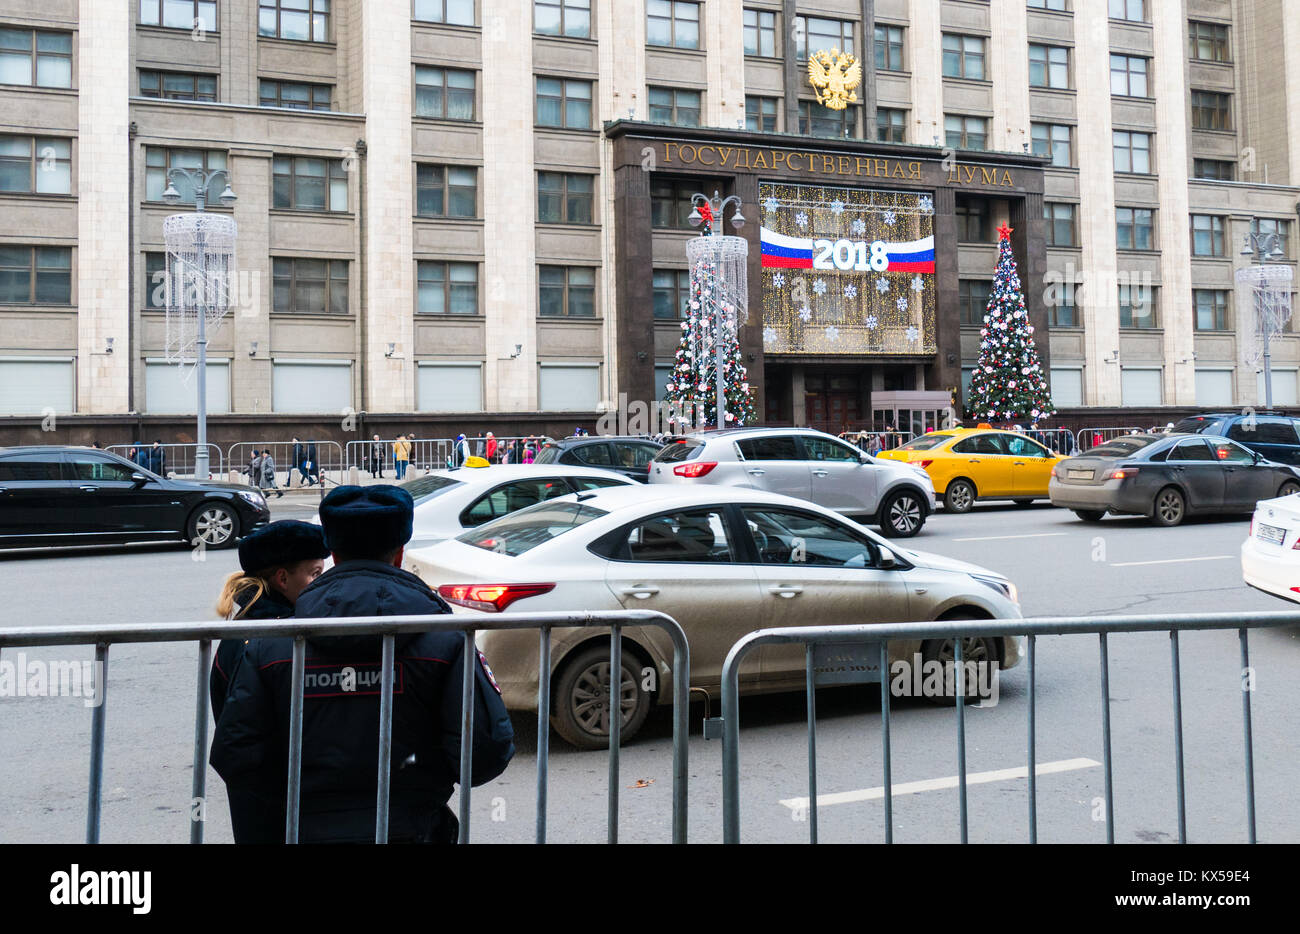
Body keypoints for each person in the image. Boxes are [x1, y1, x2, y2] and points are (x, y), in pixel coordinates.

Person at [210, 485, 516, 844]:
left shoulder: (271, 644)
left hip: (303, 830)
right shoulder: (445, 638)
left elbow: (238, 753)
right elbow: (484, 752)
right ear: (400, 553)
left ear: (334, 556)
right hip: (412, 828)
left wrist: (301, 802)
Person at [209, 520, 331, 843]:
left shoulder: (249, 629)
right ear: (282, 578)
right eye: (315, 574)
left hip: (260, 803)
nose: (323, 583)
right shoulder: (274, 639)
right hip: (274, 806)